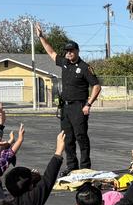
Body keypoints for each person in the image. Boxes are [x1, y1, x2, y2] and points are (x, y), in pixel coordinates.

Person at [35, 23, 101, 174]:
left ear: (77, 51)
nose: (69, 53)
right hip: (65, 107)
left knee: (81, 137)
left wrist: (88, 104)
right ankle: (72, 167)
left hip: (79, 107)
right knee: (67, 138)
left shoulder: (85, 67)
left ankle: (85, 167)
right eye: (67, 51)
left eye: (71, 51)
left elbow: (96, 86)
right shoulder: (65, 63)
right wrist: (41, 36)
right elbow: (51, 52)